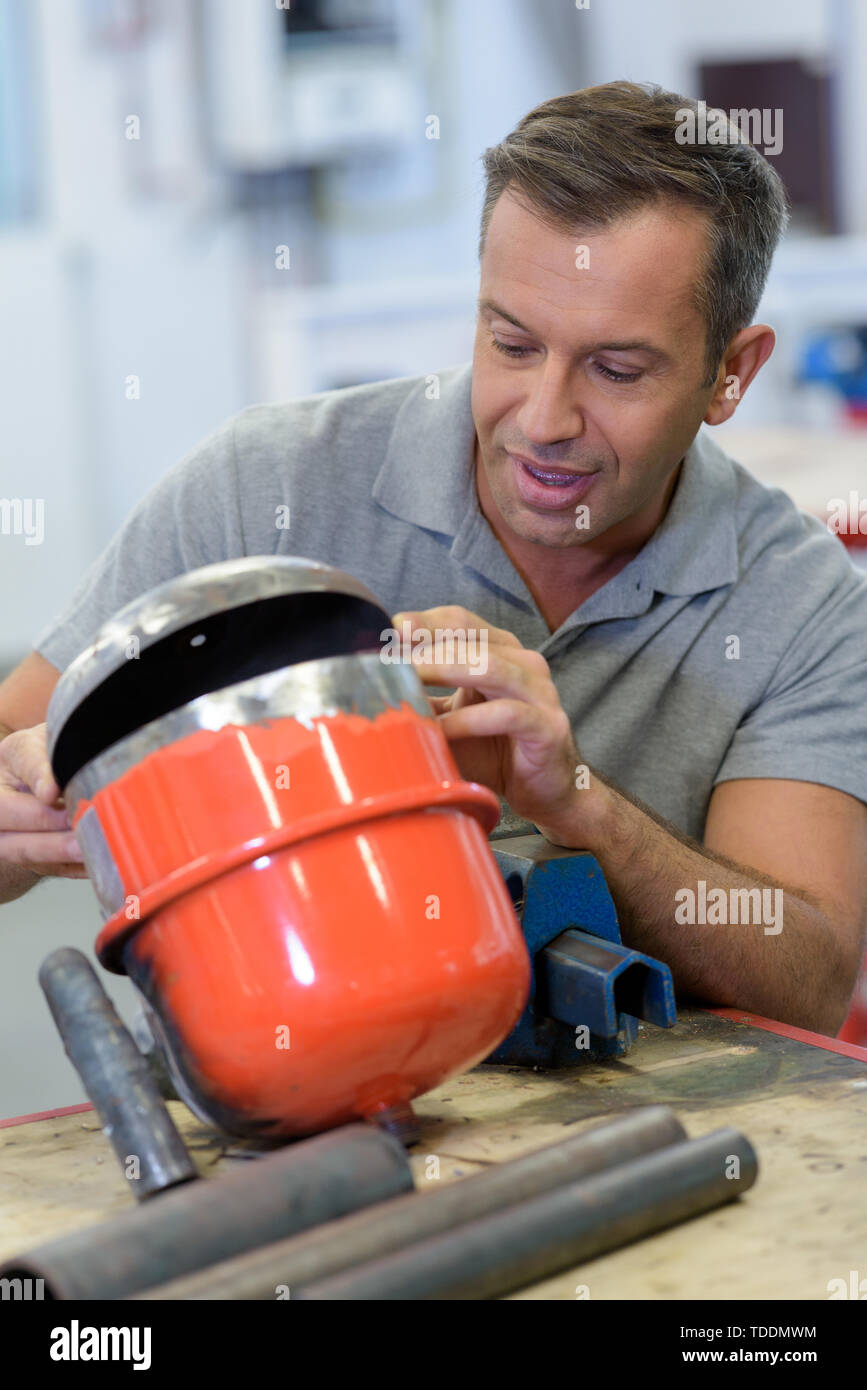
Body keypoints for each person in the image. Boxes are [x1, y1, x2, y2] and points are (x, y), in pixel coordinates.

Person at [1, 82, 865, 1035]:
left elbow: (808, 986)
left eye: (616, 371)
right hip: (274, 1108)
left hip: (641, 1134)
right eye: (511, 342)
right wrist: (40, 809)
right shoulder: (264, 488)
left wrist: (577, 802)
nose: (542, 421)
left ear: (729, 375)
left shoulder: (805, 605)